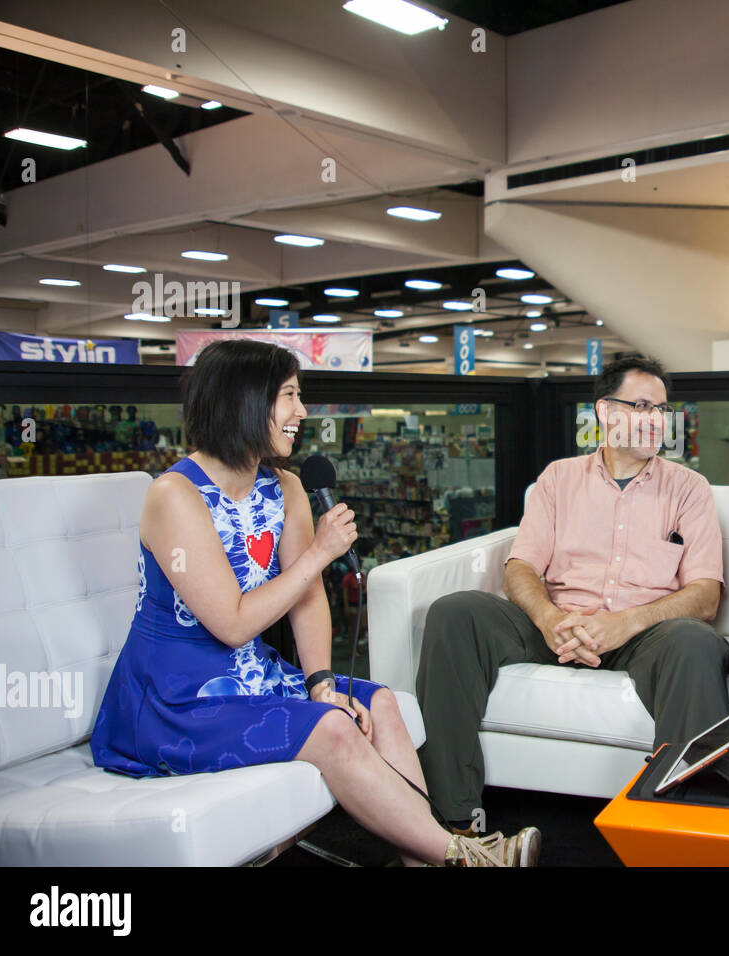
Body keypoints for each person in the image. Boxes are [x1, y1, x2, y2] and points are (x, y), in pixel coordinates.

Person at [90, 339, 536, 866]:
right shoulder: (175, 496)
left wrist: (320, 681)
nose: (302, 412)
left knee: (382, 704)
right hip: (177, 698)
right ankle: (464, 856)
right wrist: (320, 553)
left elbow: (305, 598)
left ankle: (428, 860)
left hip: (252, 677)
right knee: (332, 728)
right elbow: (232, 624)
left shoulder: (285, 487)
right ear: (244, 402)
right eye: (289, 396)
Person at [416, 353, 729, 835]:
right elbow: (521, 566)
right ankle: (454, 823)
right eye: (643, 406)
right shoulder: (558, 479)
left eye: (663, 410)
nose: (658, 421)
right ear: (606, 412)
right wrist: (547, 618)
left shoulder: (688, 489)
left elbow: (706, 594)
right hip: (556, 625)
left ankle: (675, 831)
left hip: (642, 635)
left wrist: (622, 624)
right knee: (455, 612)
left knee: (696, 642)